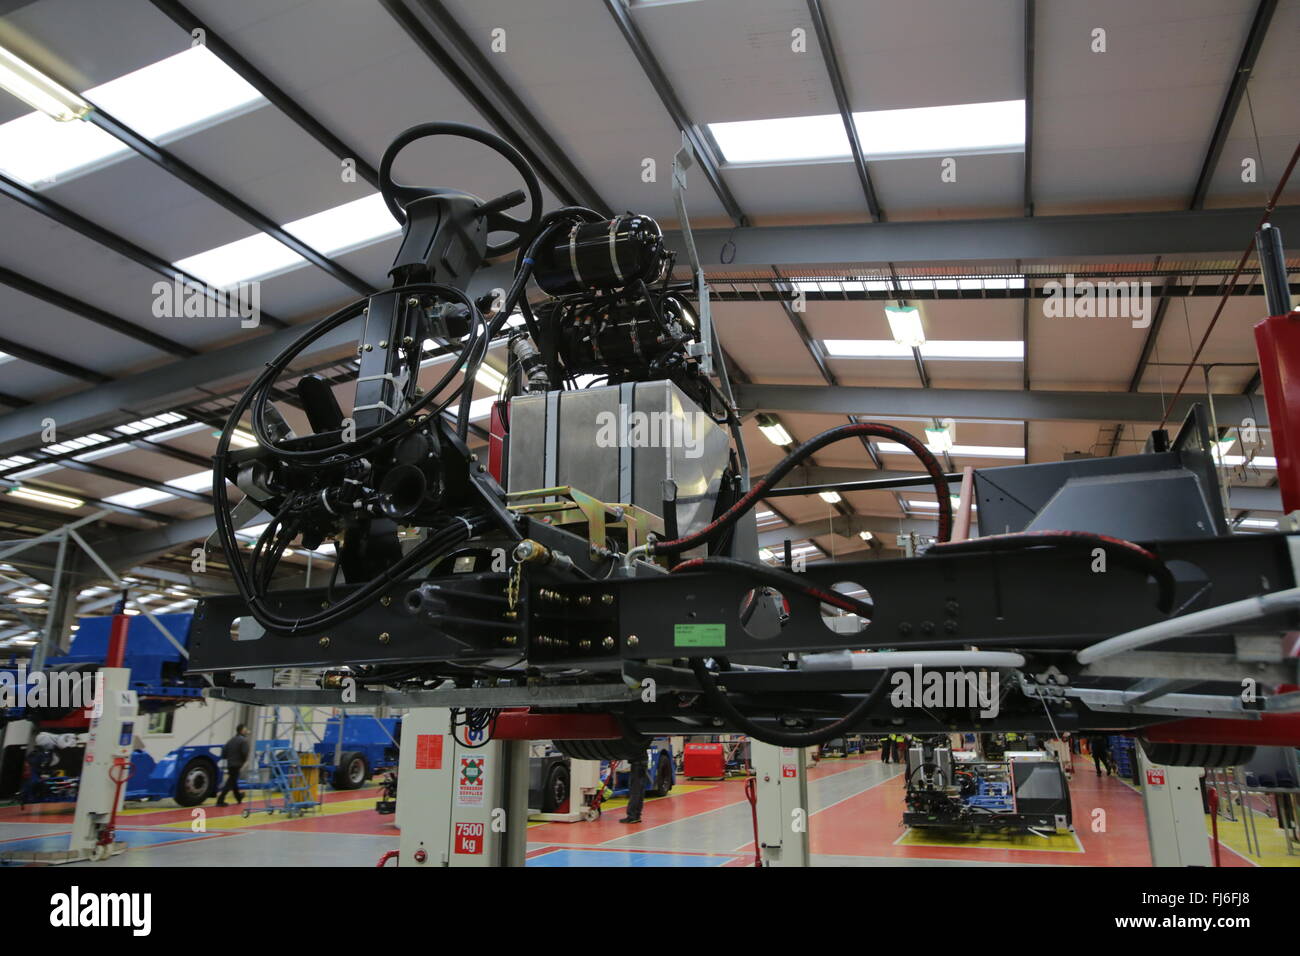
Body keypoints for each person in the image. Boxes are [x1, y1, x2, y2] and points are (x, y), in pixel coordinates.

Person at [216, 724, 251, 806]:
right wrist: (245, 762)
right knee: (230, 782)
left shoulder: (231, 740)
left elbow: (224, 752)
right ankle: (220, 799)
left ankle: (239, 797)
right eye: (245, 729)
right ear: (242, 730)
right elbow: (245, 753)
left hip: (230, 764)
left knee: (233, 781)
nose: (247, 731)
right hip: (237, 764)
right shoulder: (243, 741)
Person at [621, 753, 647, 824]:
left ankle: (632, 816)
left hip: (637, 764)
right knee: (640, 790)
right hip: (642, 763)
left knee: (635, 790)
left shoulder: (636, 742)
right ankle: (637, 815)